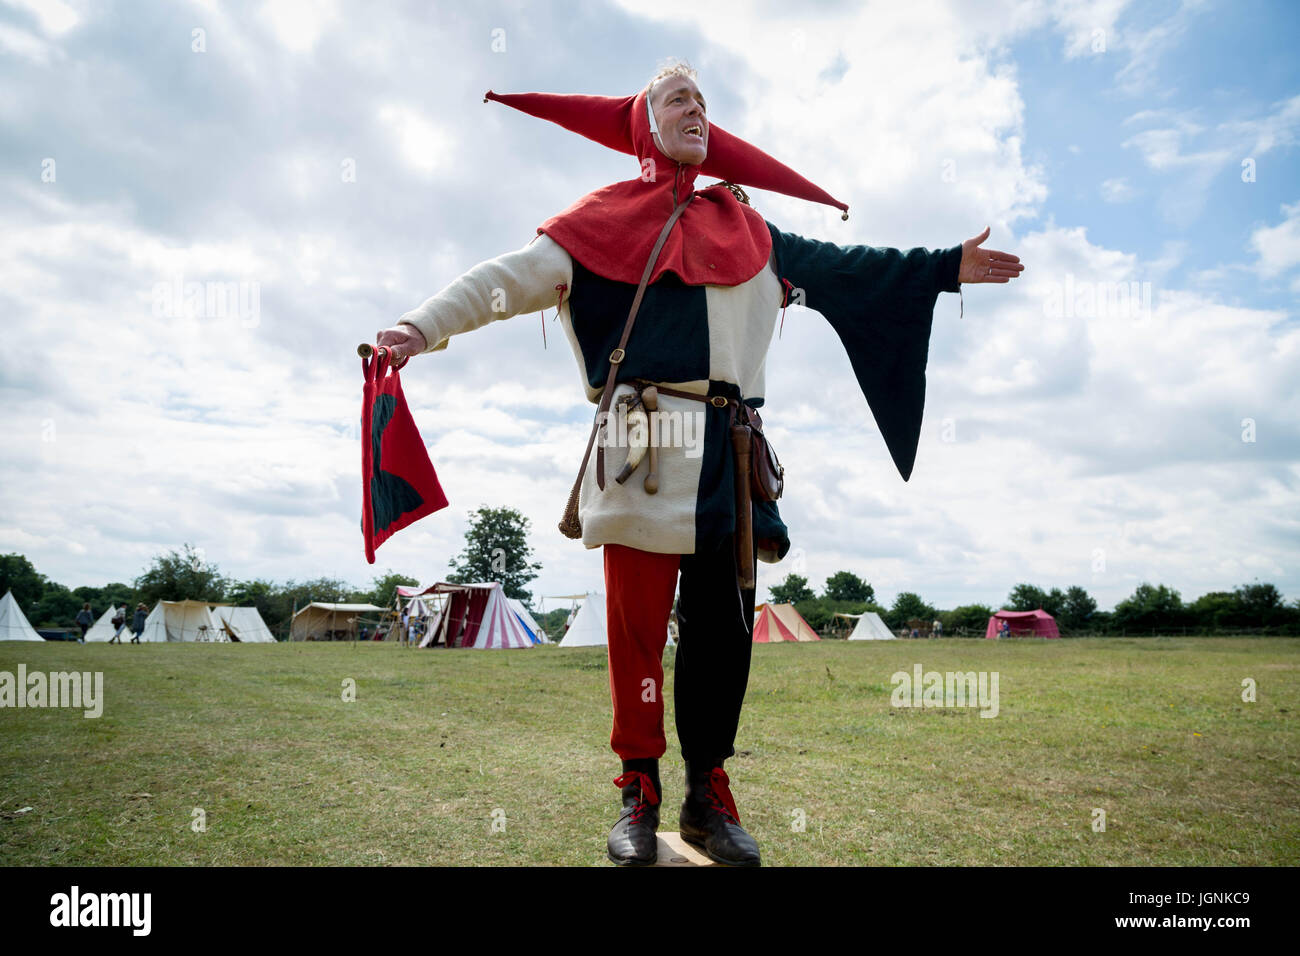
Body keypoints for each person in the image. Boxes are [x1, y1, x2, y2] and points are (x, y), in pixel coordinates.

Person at [375, 61, 1023, 866]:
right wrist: (418, 328)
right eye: (678, 99)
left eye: (704, 103)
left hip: (732, 453)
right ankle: (637, 791)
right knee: (637, 633)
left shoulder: (753, 231)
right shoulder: (595, 220)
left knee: (724, 636)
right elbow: (502, 281)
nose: (696, 110)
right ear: (645, 123)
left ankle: (705, 794)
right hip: (644, 443)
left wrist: (938, 267)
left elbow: (853, 269)